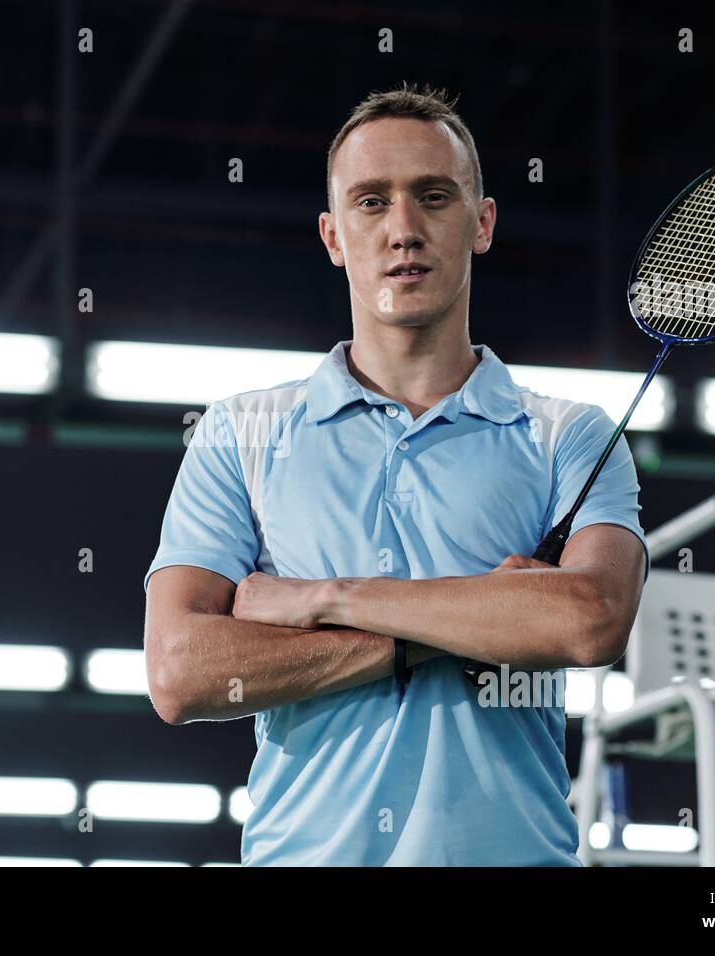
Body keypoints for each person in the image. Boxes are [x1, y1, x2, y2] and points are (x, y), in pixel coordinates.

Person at [142, 82, 648, 866]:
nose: (404, 229)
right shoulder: (240, 431)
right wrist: (473, 621)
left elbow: (589, 621)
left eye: (434, 197)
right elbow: (180, 672)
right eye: (371, 202)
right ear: (334, 235)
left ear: (481, 224)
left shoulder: (571, 437)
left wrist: (323, 599)